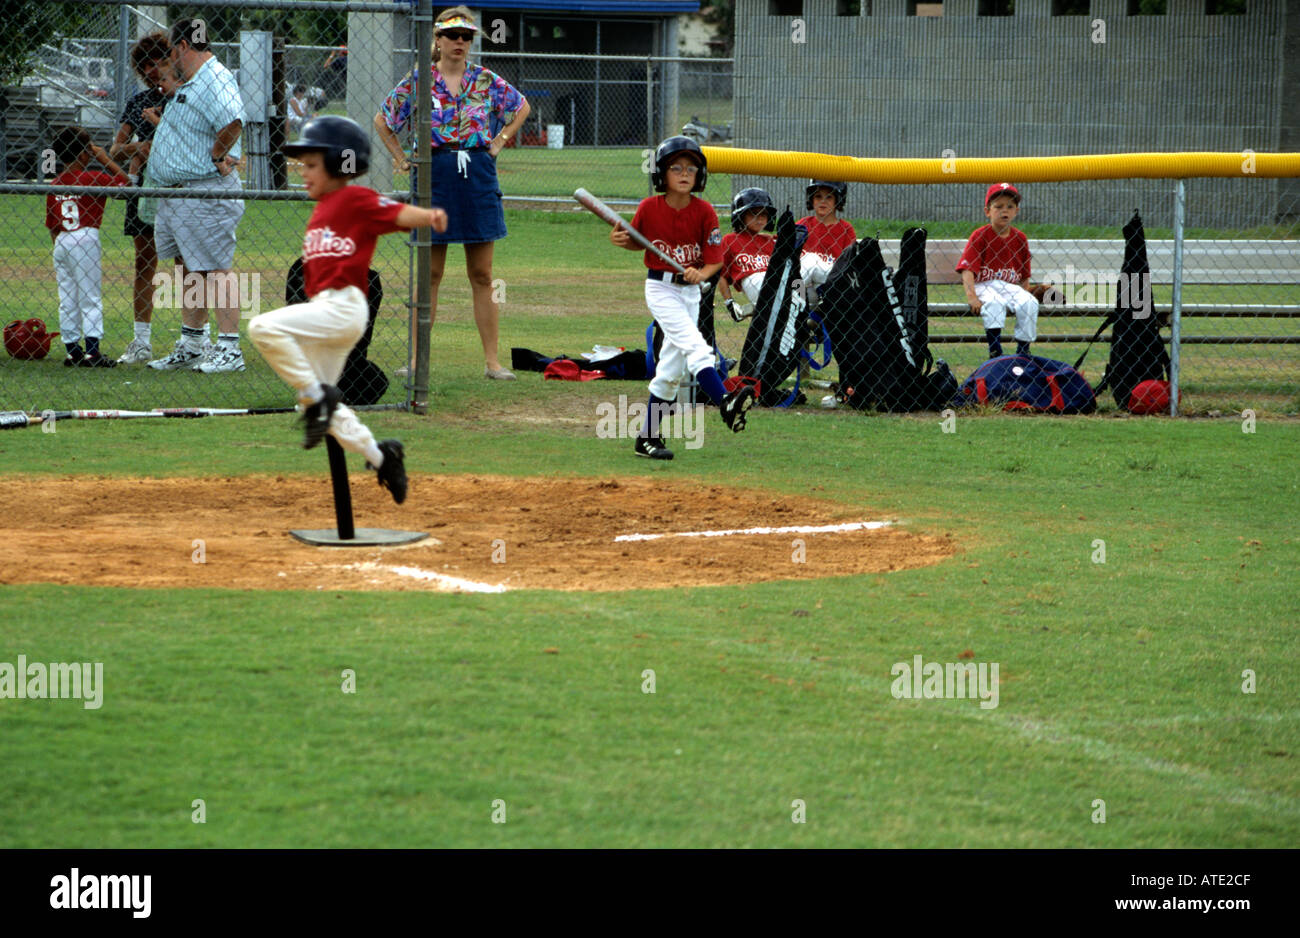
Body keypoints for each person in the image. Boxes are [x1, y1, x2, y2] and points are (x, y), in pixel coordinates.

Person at [249, 117, 447, 504]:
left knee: (262, 327)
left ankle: (317, 395)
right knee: (318, 406)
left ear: (340, 163)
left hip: (344, 307)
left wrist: (429, 217)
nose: (302, 173)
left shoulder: (353, 199)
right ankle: (381, 455)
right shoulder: (321, 211)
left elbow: (394, 212)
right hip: (327, 310)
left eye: (310, 165)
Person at [373, 5, 531, 380]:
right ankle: (415, 361)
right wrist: (401, 158)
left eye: (467, 37)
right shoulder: (419, 80)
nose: (460, 43)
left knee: (482, 273)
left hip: (477, 173)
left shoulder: (485, 79)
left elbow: (521, 106)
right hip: (435, 174)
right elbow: (383, 119)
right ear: (438, 39)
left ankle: (492, 362)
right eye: (452, 36)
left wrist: (499, 141)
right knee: (430, 272)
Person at [608, 135, 756, 461]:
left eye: (691, 168)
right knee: (695, 345)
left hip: (691, 292)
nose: (684, 173)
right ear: (662, 174)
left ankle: (647, 439)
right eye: (676, 167)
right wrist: (622, 239)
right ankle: (724, 400)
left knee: (672, 371)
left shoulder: (704, 212)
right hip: (660, 289)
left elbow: (715, 259)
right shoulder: (649, 208)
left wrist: (700, 274)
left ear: (699, 175)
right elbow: (639, 242)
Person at [146, 17, 247, 374]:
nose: (168, 58)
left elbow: (233, 121)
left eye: (170, 50)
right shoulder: (192, 81)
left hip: (204, 192)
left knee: (216, 268)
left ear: (183, 47)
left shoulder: (214, 78)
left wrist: (218, 155)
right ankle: (192, 343)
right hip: (177, 195)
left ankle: (230, 349)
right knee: (189, 268)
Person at [108, 31, 172, 364]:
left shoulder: (183, 97)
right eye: (145, 65)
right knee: (145, 262)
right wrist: (139, 148)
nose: (152, 70)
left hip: (176, 187)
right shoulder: (138, 102)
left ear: (172, 59)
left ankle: (195, 341)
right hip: (142, 186)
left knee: (189, 262)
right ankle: (141, 341)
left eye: (159, 61)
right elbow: (115, 150)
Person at [44, 126, 130, 367]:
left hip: (61, 241)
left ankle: (73, 350)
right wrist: (105, 159)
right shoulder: (93, 177)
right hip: (85, 237)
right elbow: (126, 185)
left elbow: (52, 225)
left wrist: (60, 248)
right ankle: (93, 352)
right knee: (90, 296)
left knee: (68, 297)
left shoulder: (55, 183)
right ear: (84, 154)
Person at [957, 182, 1038, 359]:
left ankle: (1023, 351)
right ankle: (995, 351)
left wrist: (1022, 297)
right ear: (988, 211)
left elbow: (1024, 276)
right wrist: (972, 297)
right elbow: (967, 270)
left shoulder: (1020, 238)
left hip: (1008, 287)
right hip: (984, 285)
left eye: (1010, 206)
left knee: (1030, 303)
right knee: (994, 303)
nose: (1005, 211)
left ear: (1016, 211)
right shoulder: (980, 235)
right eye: (998, 206)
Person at [718, 187, 777, 320]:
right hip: (752, 280)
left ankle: (806, 309)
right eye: (754, 213)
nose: (760, 219)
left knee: (801, 279)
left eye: (763, 214)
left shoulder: (770, 241)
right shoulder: (730, 240)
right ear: (741, 215)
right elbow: (721, 275)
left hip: (776, 281)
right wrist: (729, 302)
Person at [797, 180, 856, 303]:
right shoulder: (803, 224)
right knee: (807, 265)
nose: (822, 201)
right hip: (805, 284)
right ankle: (809, 314)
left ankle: (789, 296)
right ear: (811, 199)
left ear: (838, 200)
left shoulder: (846, 229)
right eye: (818, 196)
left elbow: (849, 262)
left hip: (831, 278)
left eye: (829, 197)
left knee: (811, 260)